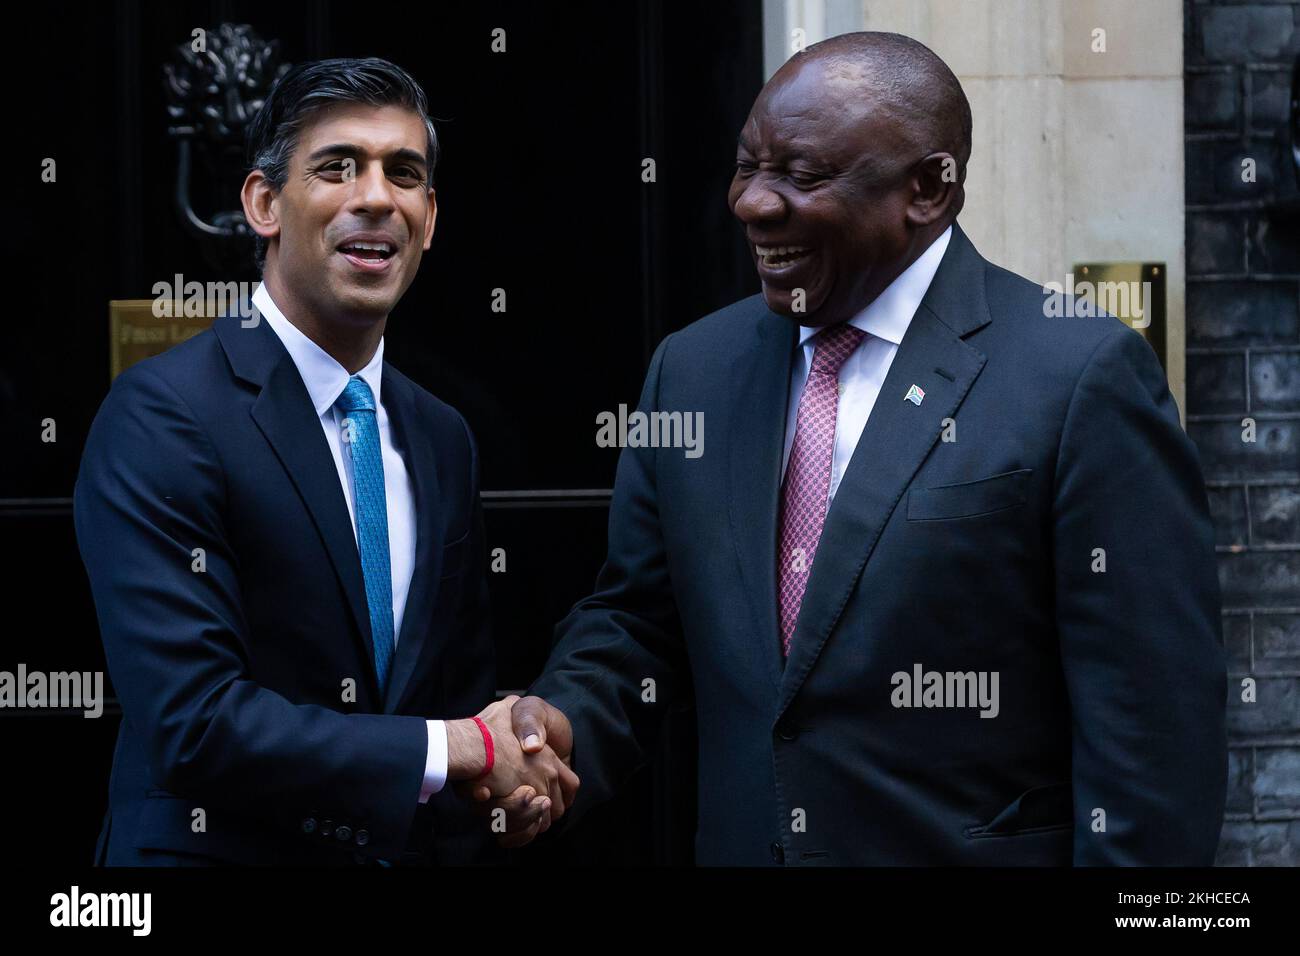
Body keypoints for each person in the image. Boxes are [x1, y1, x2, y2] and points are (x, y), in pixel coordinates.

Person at [483, 32, 1227, 865]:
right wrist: (562, 721)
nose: (752, 204)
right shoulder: (692, 371)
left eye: (802, 177)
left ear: (929, 189)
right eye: (747, 166)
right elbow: (638, 621)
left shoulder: (1078, 375)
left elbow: (1152, 731)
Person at [74, 57, 575, 866]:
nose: (375, 196)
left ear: (430, 216)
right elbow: (192, 722)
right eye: (338, 167)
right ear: (264, 204)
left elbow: (449, 699)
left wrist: (504, 776)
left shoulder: (443, 434)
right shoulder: (162, 414)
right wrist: (456, 748)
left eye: (403, 173)